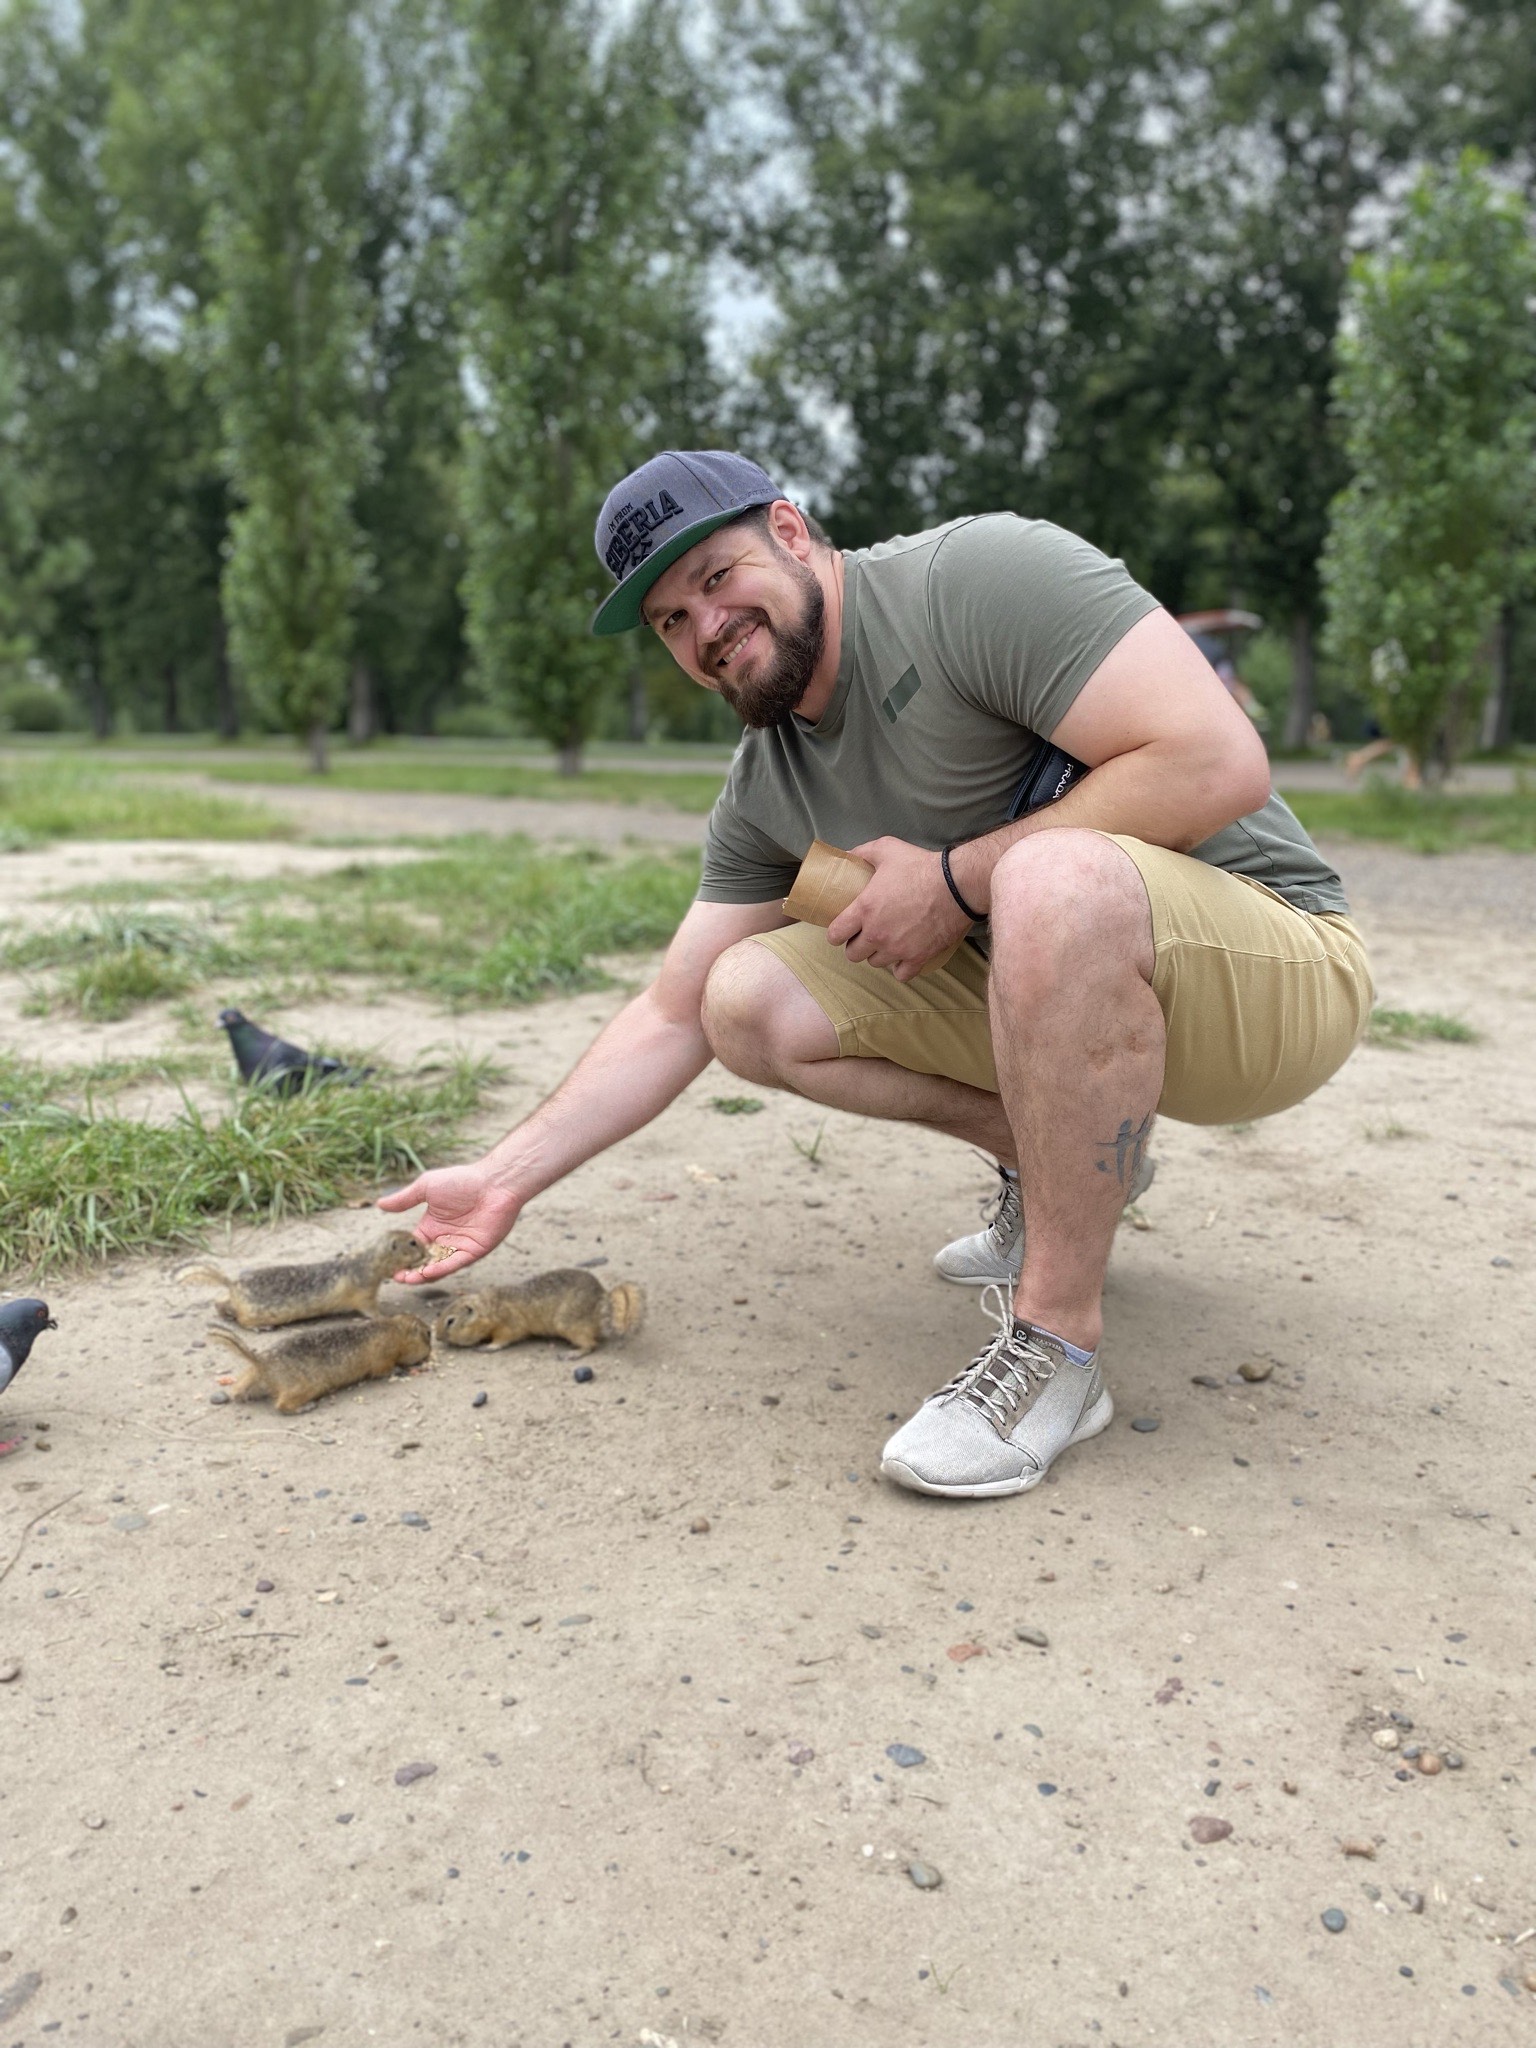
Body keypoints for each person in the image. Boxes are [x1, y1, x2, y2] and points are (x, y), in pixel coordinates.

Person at [380, 451, 1373, 1501]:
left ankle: (1058, 1352)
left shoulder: (975, 581)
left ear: (792, 530)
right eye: (671, 620)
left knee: (1050, 877)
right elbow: (674, 1008)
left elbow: (1221, 761)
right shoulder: (769, 785)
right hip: (1077, 992)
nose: (704, 628)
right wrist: (503, 1175)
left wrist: (953, 878)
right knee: (744, 997)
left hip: (1274, 971)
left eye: (715, 578)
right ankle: (1061, 1165)